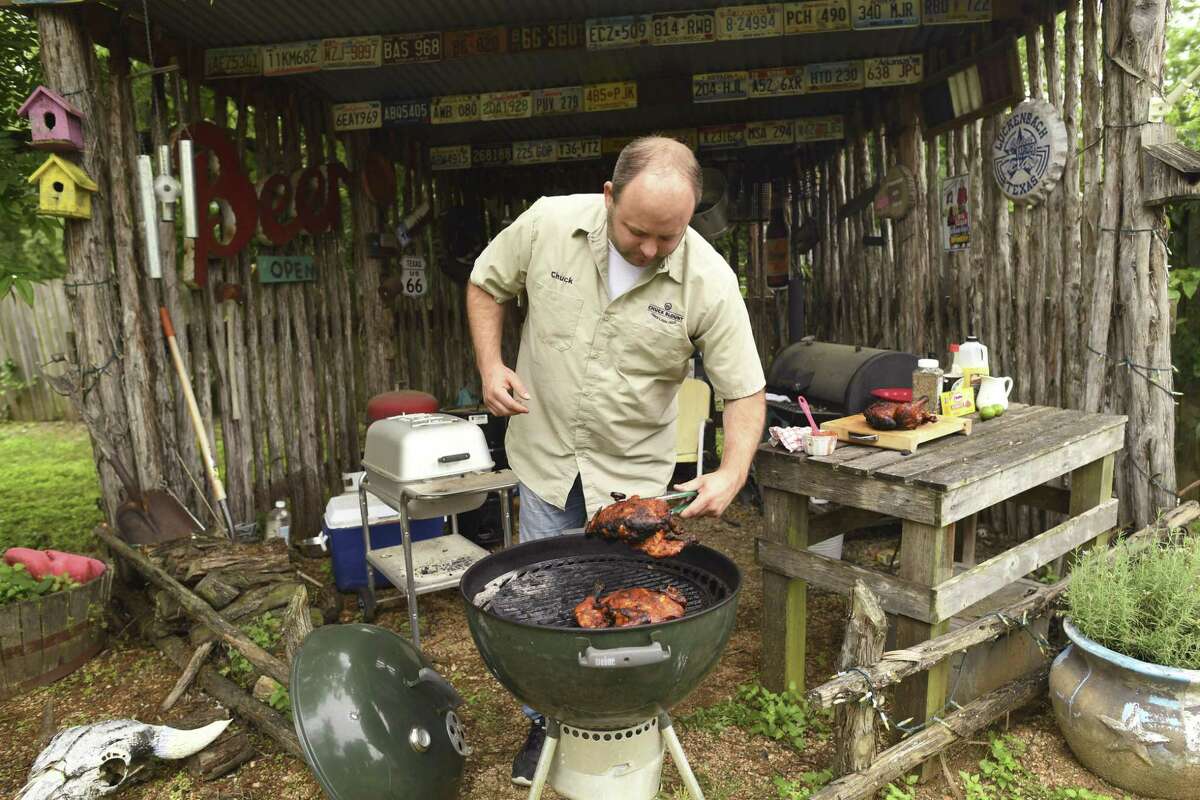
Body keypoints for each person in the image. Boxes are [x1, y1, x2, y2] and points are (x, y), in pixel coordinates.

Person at [466, 135, 766, 786]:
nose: (653, 249)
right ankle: (542, 721)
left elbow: (744, 388)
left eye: (671, 235)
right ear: (609, 197)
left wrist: (733, 471)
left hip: (630, 480)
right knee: (542, 603)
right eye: (638, 231)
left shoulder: (709, 280)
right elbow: (486, 283)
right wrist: (491, 365)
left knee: (623, 610)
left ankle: (623, 714)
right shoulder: (548, 222)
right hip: (545, 457)